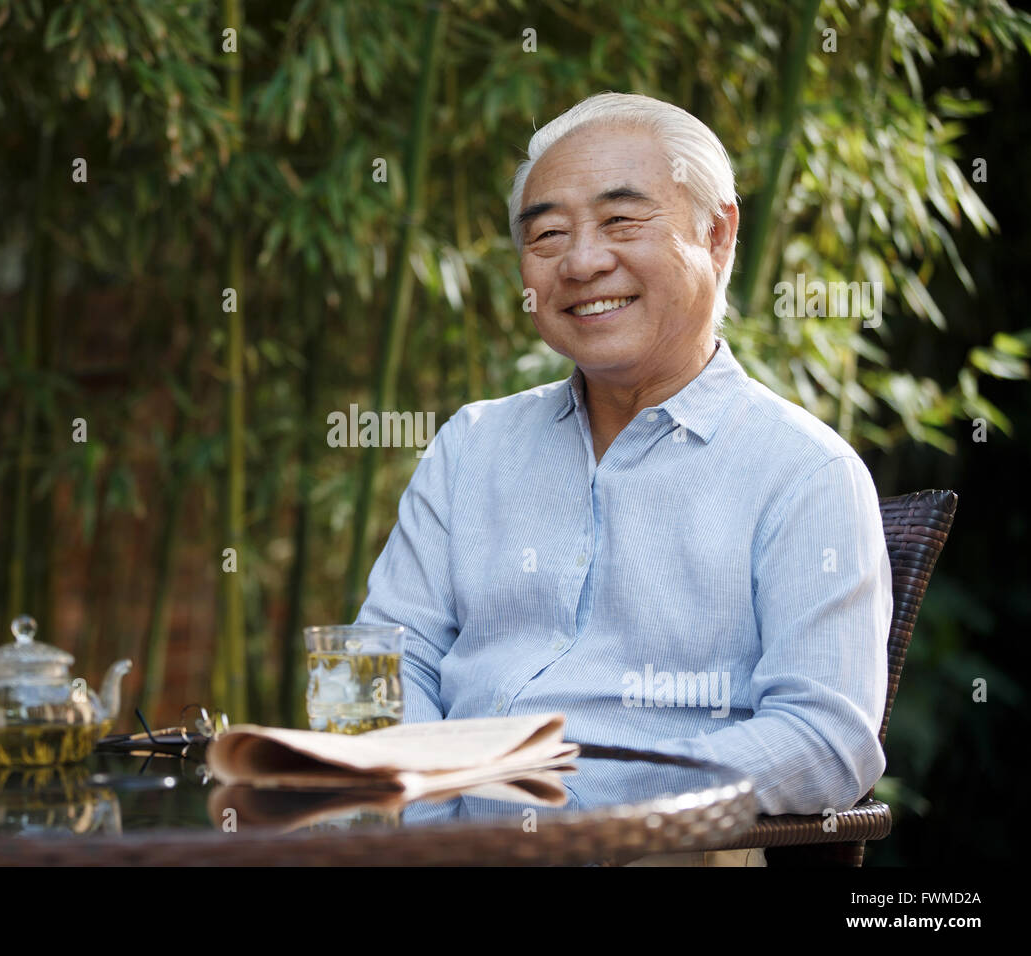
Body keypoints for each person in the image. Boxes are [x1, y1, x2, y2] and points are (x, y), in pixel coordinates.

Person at [356, 92, 893, 866]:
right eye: (547, 234)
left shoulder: (804, 474)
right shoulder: (471, 446)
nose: (581, 261)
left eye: (621, 221)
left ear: (717, 234)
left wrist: (604, 816)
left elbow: (825, 740)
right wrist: (442, 836)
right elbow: (389, 656)